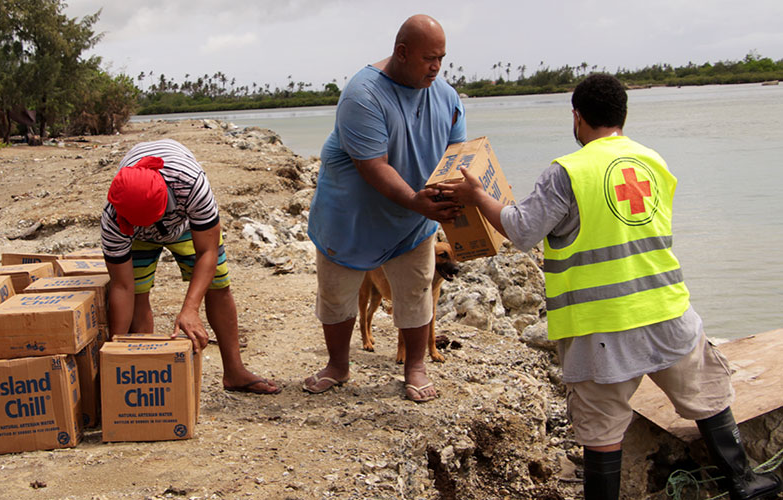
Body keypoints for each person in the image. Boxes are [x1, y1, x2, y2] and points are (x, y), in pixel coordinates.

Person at [438, 74, 781, 500]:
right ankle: (745, 482)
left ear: (577, 117)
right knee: (706, 392)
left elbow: (521, 230)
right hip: (666, 310)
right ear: (623, 114)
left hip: (599, 324)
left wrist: (477, 195)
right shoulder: (653, 161)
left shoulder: (566, 172)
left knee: (602, 426)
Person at [302, 14, 466, 402]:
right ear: (401, 52)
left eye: (442, 57)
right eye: (429, 58)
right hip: (349, 219)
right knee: (337, 295)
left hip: (412, 217)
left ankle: (414, 367)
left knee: (415, 290)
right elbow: (373, 166)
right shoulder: (364, 94)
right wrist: (415, 200)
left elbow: (458, 156)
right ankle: (338, 365)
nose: (437, 67)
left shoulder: (446, 96)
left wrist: (464, 200)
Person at [101, 138, 281, 395]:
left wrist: (190, 309)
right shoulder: (114, 217)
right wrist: (113, 350)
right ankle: (136, 374)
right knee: (138, 295)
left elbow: (207, 252)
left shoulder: (191, 184)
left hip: (187, 226)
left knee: (218, 285)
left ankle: (234, 371)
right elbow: (122, 286)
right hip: (134, 233)